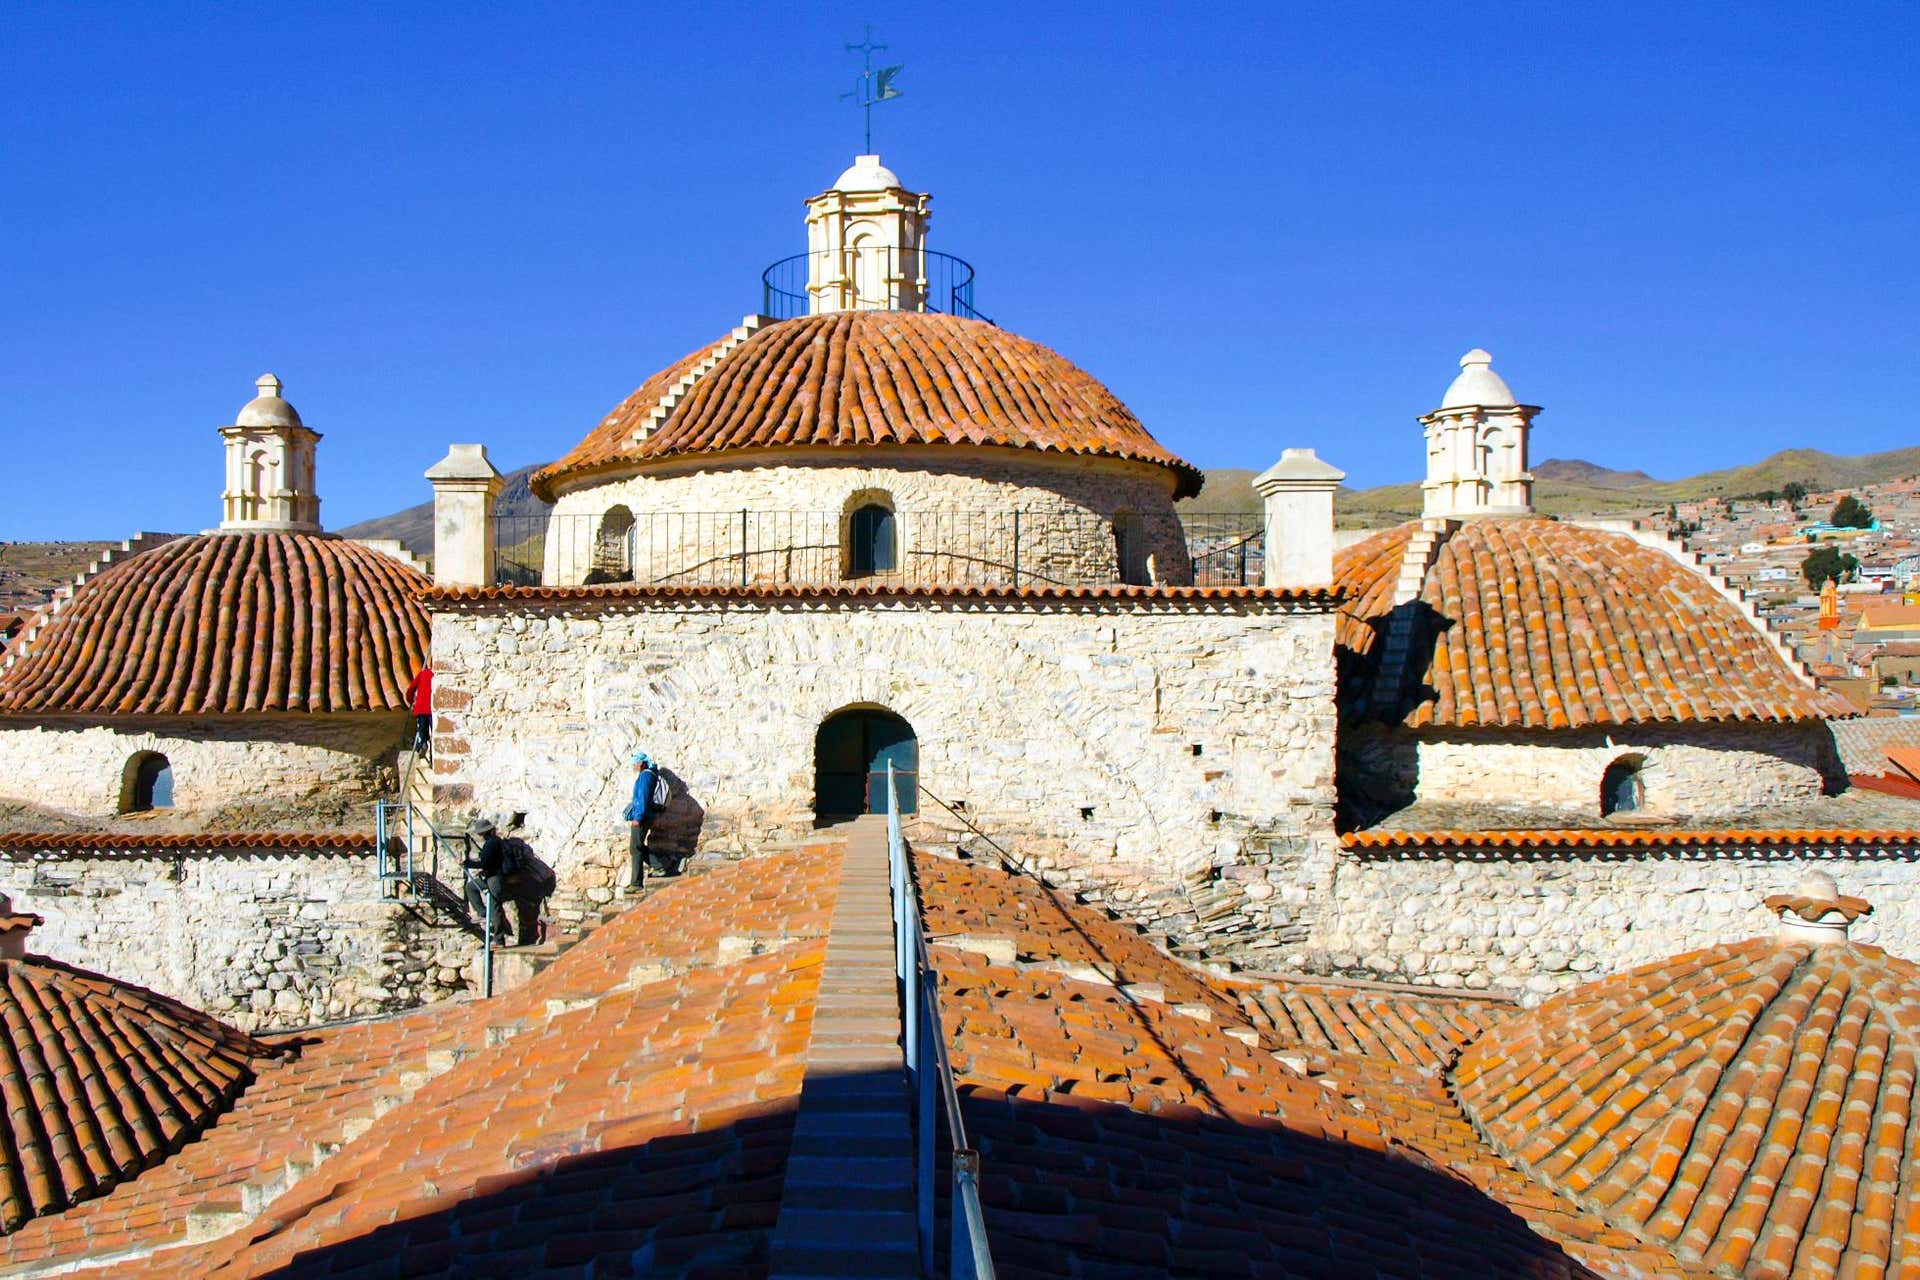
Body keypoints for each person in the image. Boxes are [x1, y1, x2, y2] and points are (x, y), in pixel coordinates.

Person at [622, 750, 674, 890]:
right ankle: (660, 866)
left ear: (642, 763)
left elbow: (642, 799)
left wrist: (637, 818)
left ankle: (636, 883)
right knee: (636, 847)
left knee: (635, 848)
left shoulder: (645, 777)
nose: (633, 766)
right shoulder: (650, 774)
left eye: (635, 763)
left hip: (642, 816)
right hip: (647, 815)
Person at [462, 816, 510, 941]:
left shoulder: (491, 844)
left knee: (495, 907)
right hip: (492, 876)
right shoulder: (494, 841)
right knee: (471, 887)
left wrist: (466, 863)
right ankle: (483, 912)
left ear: (482, 832)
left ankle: (499, 939)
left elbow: (485, 863)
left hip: (494, 878)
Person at [404, 663, 434, 757]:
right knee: (434, 730)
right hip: (433, 709)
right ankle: (433, 750)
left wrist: (410, 700)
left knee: (422, 730)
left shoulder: (422, 674)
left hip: (421, 708)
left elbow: (411, 689)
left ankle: (423, 744)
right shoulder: (436, 676)